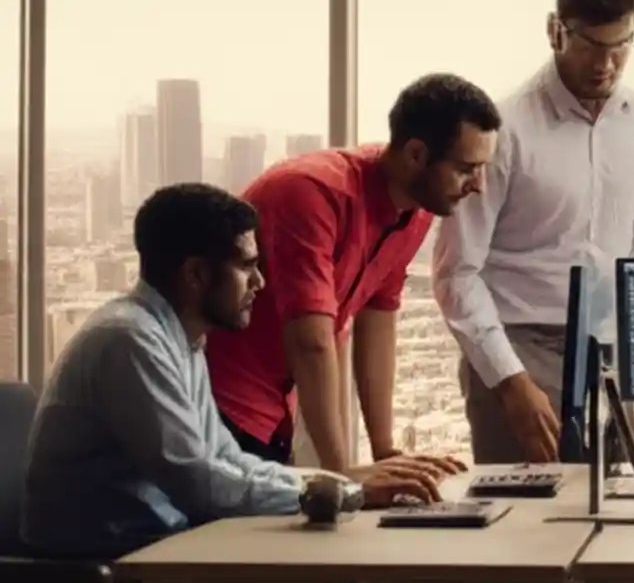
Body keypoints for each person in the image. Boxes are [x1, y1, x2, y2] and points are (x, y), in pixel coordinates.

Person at [21, 185, 449, 560]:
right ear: (196, 275)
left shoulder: (182, 338)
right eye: (246, 267)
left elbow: (224, 460)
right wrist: (343, 494)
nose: (260, 283)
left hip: (151, 541)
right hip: (100, 557)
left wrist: (332, 484)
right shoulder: (131, 342)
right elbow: (199, 483)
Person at [433, 0, 634, 463]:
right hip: (518, 344)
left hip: (606, 350)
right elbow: (456, 272)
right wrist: (508, 379)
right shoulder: (505, 129)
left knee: (619, 517)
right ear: (555, 31)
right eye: (590, 45)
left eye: (621, 46)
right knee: (523, 523)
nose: (605, 64)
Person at [207, 73, 500, 471]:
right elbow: (311, 341)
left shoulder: (415, 208)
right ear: (416, 154)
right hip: (219, 403)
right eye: (467, 169)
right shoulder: (313, 193)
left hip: (274, 408)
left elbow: (377, 316)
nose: (478, 185)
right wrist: (344, 476)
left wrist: (385, 451)